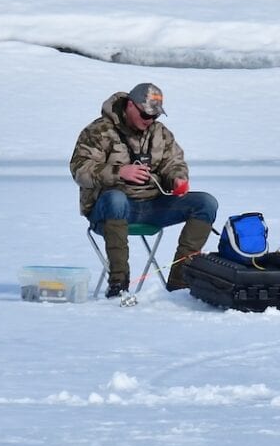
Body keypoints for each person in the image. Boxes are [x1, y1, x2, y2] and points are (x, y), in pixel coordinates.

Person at [70, 82, 219, 299]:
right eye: (145, 115)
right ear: (130, 105)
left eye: (154, 117)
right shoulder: (98, 131)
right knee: (116, 199)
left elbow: (174, 162)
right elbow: (79, 169)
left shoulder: (160, 133)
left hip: (152, 204)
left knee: (206, 203)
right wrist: (119, 172)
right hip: (108, 209)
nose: (149, 121)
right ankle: (119, 282)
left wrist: (177, 178)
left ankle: (181, 281)